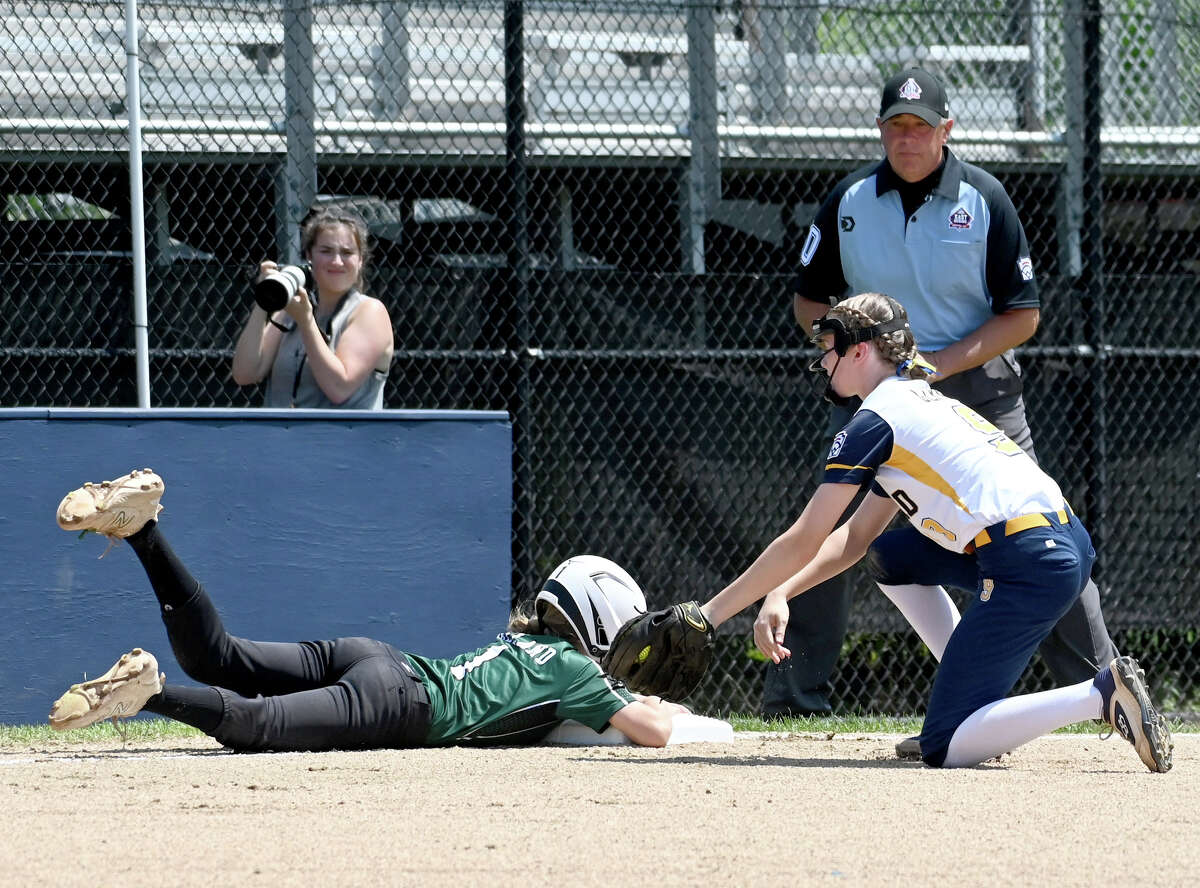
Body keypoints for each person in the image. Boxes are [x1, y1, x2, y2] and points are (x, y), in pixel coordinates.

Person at [768, 66, 1117, 732]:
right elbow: (808, 299)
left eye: (921, 127)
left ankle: (1104, 688)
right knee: (831, 528)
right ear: (880, 131)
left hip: (978, 390)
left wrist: (936, 366)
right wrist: (845, 346)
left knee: (1038, 525)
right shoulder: (847, 200)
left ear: (946, 130)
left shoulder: (985, 198)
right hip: (877, 389)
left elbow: (1023, 315)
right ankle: (795, 695)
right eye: (896, 126)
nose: (907, 140)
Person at [697, 293, 1171, 770]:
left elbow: (806, 535)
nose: (822, 360)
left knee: (943, 747)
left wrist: (709, 615)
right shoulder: (912, 401)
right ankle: (976, 710)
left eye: (829, 345)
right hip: (1054, 542)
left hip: (1030, 559)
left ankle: (1099, 695)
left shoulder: (876, 419)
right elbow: (855, 541)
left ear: (860, 350)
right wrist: (782, 591)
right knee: (893, 555)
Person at [48, 470, 688, 751]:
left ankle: (143, 533)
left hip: (376, 657)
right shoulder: (580, 673)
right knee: (260, 727)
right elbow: (653, 734)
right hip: (403, 705)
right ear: (601, 625)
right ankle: (150, 694)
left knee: (220, 657)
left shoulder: (525, 646)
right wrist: (654, 704)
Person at [231, 207, 394, 409]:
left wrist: (307, 323)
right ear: (309, 255)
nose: (336, 261)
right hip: (281, 438)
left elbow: (339, 388)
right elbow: (244, 373)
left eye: (347, 253)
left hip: (344, 439)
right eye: (326, 251)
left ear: (360, 260)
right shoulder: (290, 313)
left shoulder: (370, 312)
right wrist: (264, 300)